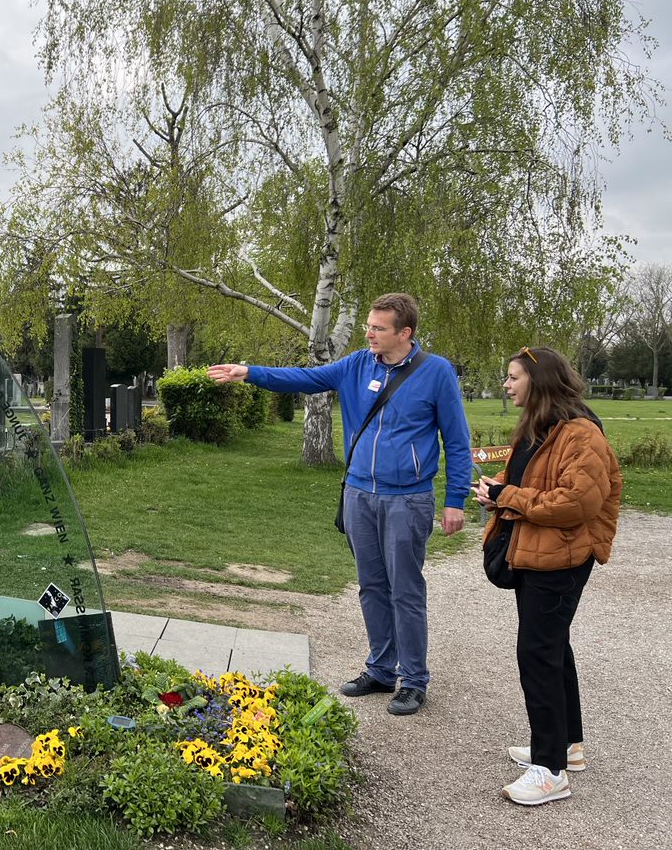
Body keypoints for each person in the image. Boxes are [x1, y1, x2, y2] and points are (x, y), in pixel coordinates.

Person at [208, 292, 471, 715]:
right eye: (368, 325)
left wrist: (455, 499)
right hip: (358, 494)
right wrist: (250, 373)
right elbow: (305, 378)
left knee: (405, 590)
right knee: (371, 585)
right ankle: (381, 670)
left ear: (404, 333)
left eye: (378, 328)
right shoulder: (356, 365)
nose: (369, 333)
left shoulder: (435, 372)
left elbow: (457, 441)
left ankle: (413, 680)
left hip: (407, 499)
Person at [473, 346, 621, 806]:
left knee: (537, 653)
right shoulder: (540, 427)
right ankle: (567, 746)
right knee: (552, 647)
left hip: (562, 558)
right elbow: (523, 480)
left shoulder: (581, 433)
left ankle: (549, 770)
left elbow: (577, 503)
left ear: (538, 382)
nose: (506, 385)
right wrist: (496, 491)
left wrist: (509, 496)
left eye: (513, 377)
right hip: (537, 551)